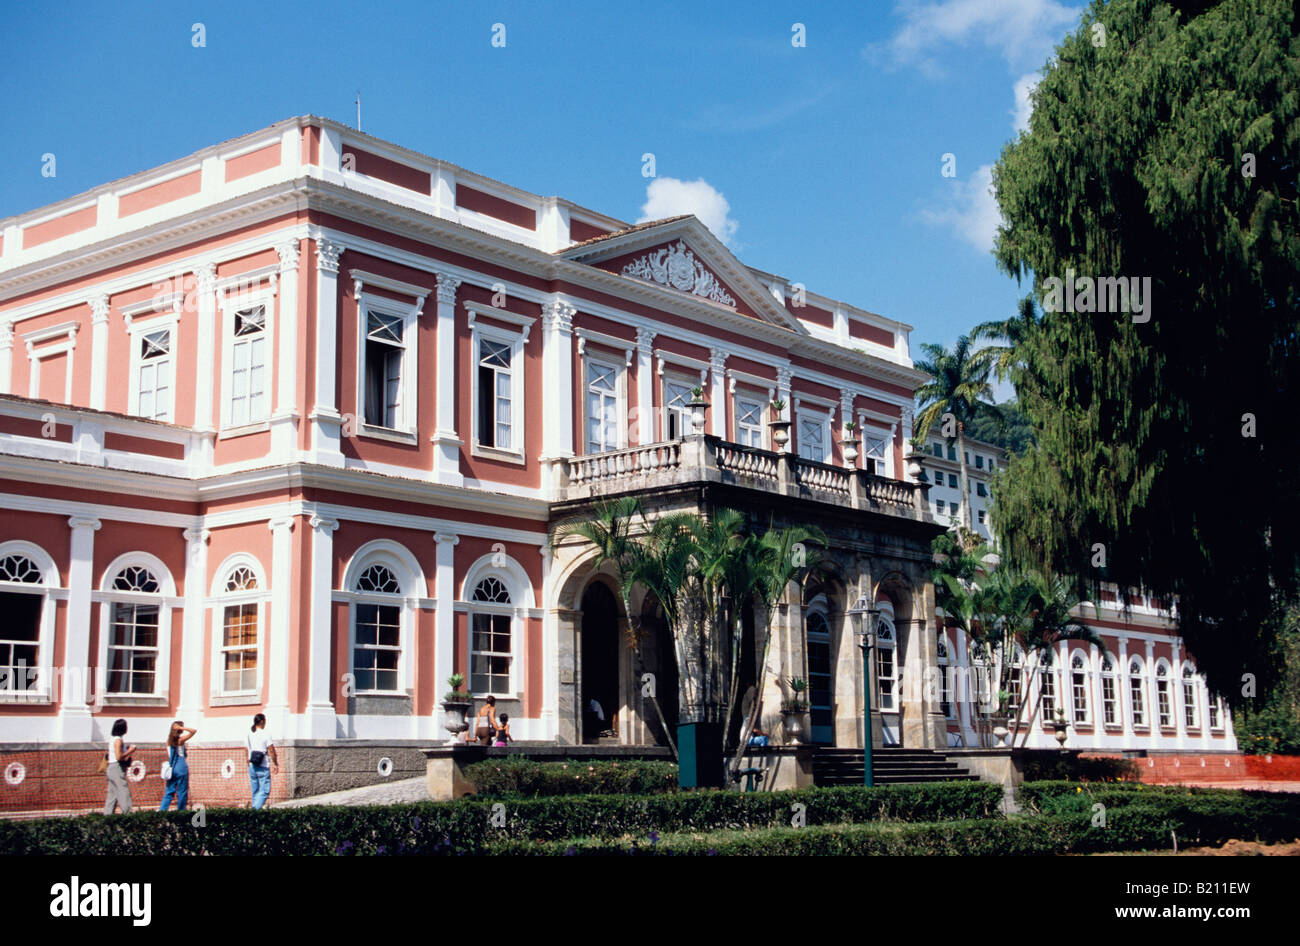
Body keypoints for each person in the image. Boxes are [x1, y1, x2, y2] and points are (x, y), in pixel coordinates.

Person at [159, 720, 196, 811]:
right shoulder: (180, 740)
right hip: (181, 766)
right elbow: (193, 731)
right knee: (182, 791)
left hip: (172, 767)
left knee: (169, 791)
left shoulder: (168, 741)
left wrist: (175, 727)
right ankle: (181, 811)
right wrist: (181, 727)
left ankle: (162, 810)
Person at [103, 718, 135, 814]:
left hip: (111, 768)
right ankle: (128, 814)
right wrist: (131, 750)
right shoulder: (118, 740)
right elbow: (118, 757)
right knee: (123, 792)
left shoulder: (113, 739)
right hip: (116, 768)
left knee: (112, 795)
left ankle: (107, 815)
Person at [246, 713, 277, 809]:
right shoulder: (266, 734)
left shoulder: (250, 733)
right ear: (262, 722)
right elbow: (271, 750)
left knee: (255, 791)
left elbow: (246, 749)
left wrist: (247, 762)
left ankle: (254, 810)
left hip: (252, 764)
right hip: (263, 765)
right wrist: (275, 763)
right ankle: (255, 811)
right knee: (265, 790)